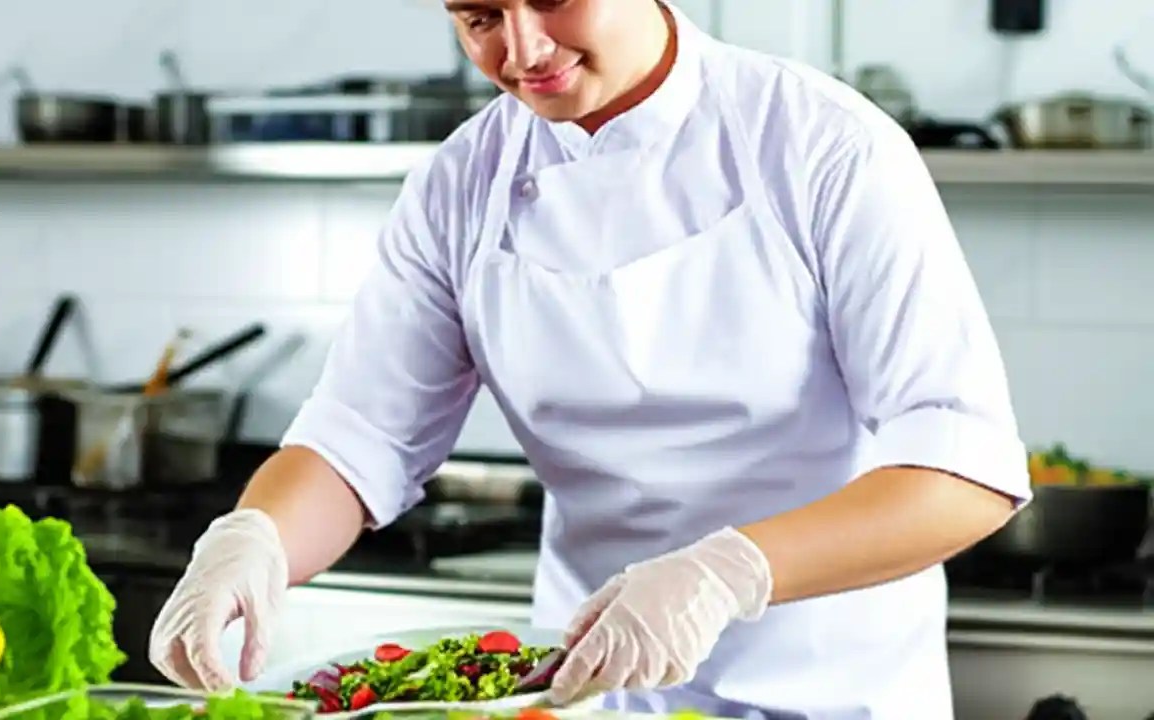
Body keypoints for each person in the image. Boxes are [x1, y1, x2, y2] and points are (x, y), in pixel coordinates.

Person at [148, 1, 1031, 717]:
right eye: (479, 18)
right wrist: (253, 539)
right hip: (586, 693)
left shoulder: (825, 144)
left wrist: (726, 572)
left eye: (552, 0)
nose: (524, 48)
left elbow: (965, 467)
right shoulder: (463, 181)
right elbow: (359, 439)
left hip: (834, 694)